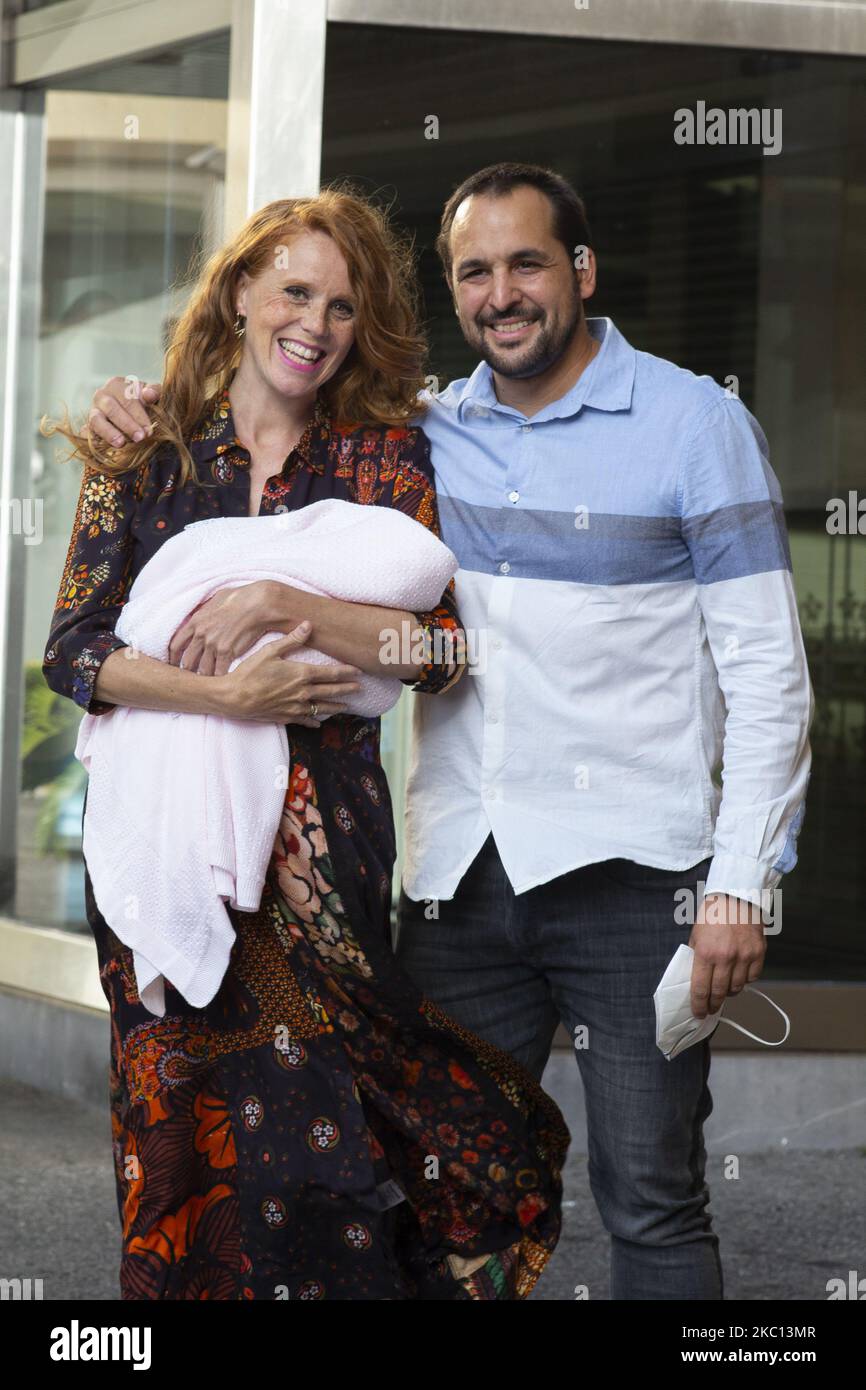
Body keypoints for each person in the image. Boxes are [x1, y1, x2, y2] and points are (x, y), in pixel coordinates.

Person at [86, 162, 813, 1303]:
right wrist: (126, 398)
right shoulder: (429, 430)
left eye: (526, 263)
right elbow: (266, 412)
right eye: (473, 272)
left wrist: (738, 886)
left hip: (635, 883)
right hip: (459, 882)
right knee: (423, 1187)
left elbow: (770, 675)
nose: (499, 293)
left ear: (580, 272)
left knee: (651, 1194)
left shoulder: (694, 425)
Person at [43, 188, 570, 1302]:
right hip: (167, 855)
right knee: (181, 1137)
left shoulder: (377, 461)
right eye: (294, 291)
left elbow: (435, 652)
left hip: (322, 864)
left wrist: (282, 596)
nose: (315, 323)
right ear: (240, 293)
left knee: (326, 1147)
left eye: (342, 304)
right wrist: (224, 696)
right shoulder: (143, 454)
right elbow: (76, 655)